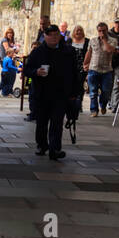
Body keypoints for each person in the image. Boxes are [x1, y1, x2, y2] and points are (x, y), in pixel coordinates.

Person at [25, 23, 82, 159]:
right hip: (42, 92)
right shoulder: (38, 51)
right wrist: (36, 72)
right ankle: (42, 145)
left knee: (57, 122)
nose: (53, 38)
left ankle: (55, 149)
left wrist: (75, 92)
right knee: (42, 122)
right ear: (45, 36)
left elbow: (75, 72)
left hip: (61, 93)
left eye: (56, 35)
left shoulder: (68, 51)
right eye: (50, 35)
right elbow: (27, 69)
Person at [84, 22, 114, 116]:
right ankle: (94, 110)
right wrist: (85, 63)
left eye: (104, 30)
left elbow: (109, 50)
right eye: (100, 30)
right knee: (93, 92)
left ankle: (103, 105)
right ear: (97, 31)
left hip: (107, 70)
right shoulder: (92, 40)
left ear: (107, 30)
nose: (102, 32)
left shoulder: (113, 40)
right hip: (93, 69)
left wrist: (104, 40)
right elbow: (89, 52)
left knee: (106, 91)